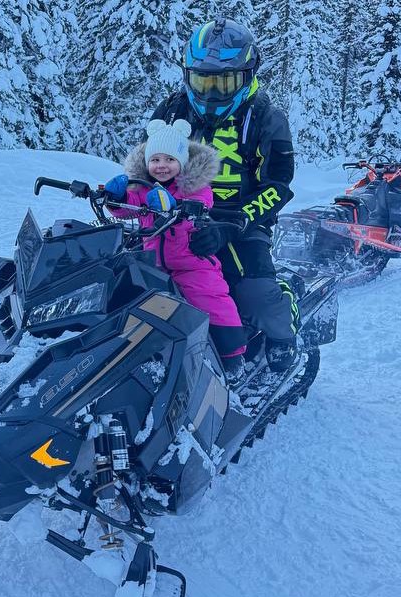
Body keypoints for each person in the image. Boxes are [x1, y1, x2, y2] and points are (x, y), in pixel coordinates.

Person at [150, 17, 300, 372]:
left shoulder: (266, 118)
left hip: (242, 223)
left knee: (255, 298)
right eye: (203, 81)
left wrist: (238, 221)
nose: (211, 93)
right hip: (172, 218)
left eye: (224, 82)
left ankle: (285, 320)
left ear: (246, 76)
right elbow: (149, 162)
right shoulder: (172, 111)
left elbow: (279, 185)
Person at [104, 118, 247, 382]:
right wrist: (117, 198)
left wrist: (173, 206)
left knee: (209, 297)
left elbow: (200, 204)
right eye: (155, 160)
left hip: (190, 261)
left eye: (169, 159)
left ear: (181, 162)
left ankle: (232, 352)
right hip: (152, 263)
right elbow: (127, 207)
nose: (161, 166)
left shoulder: (195, 188)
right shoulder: (142, 187)